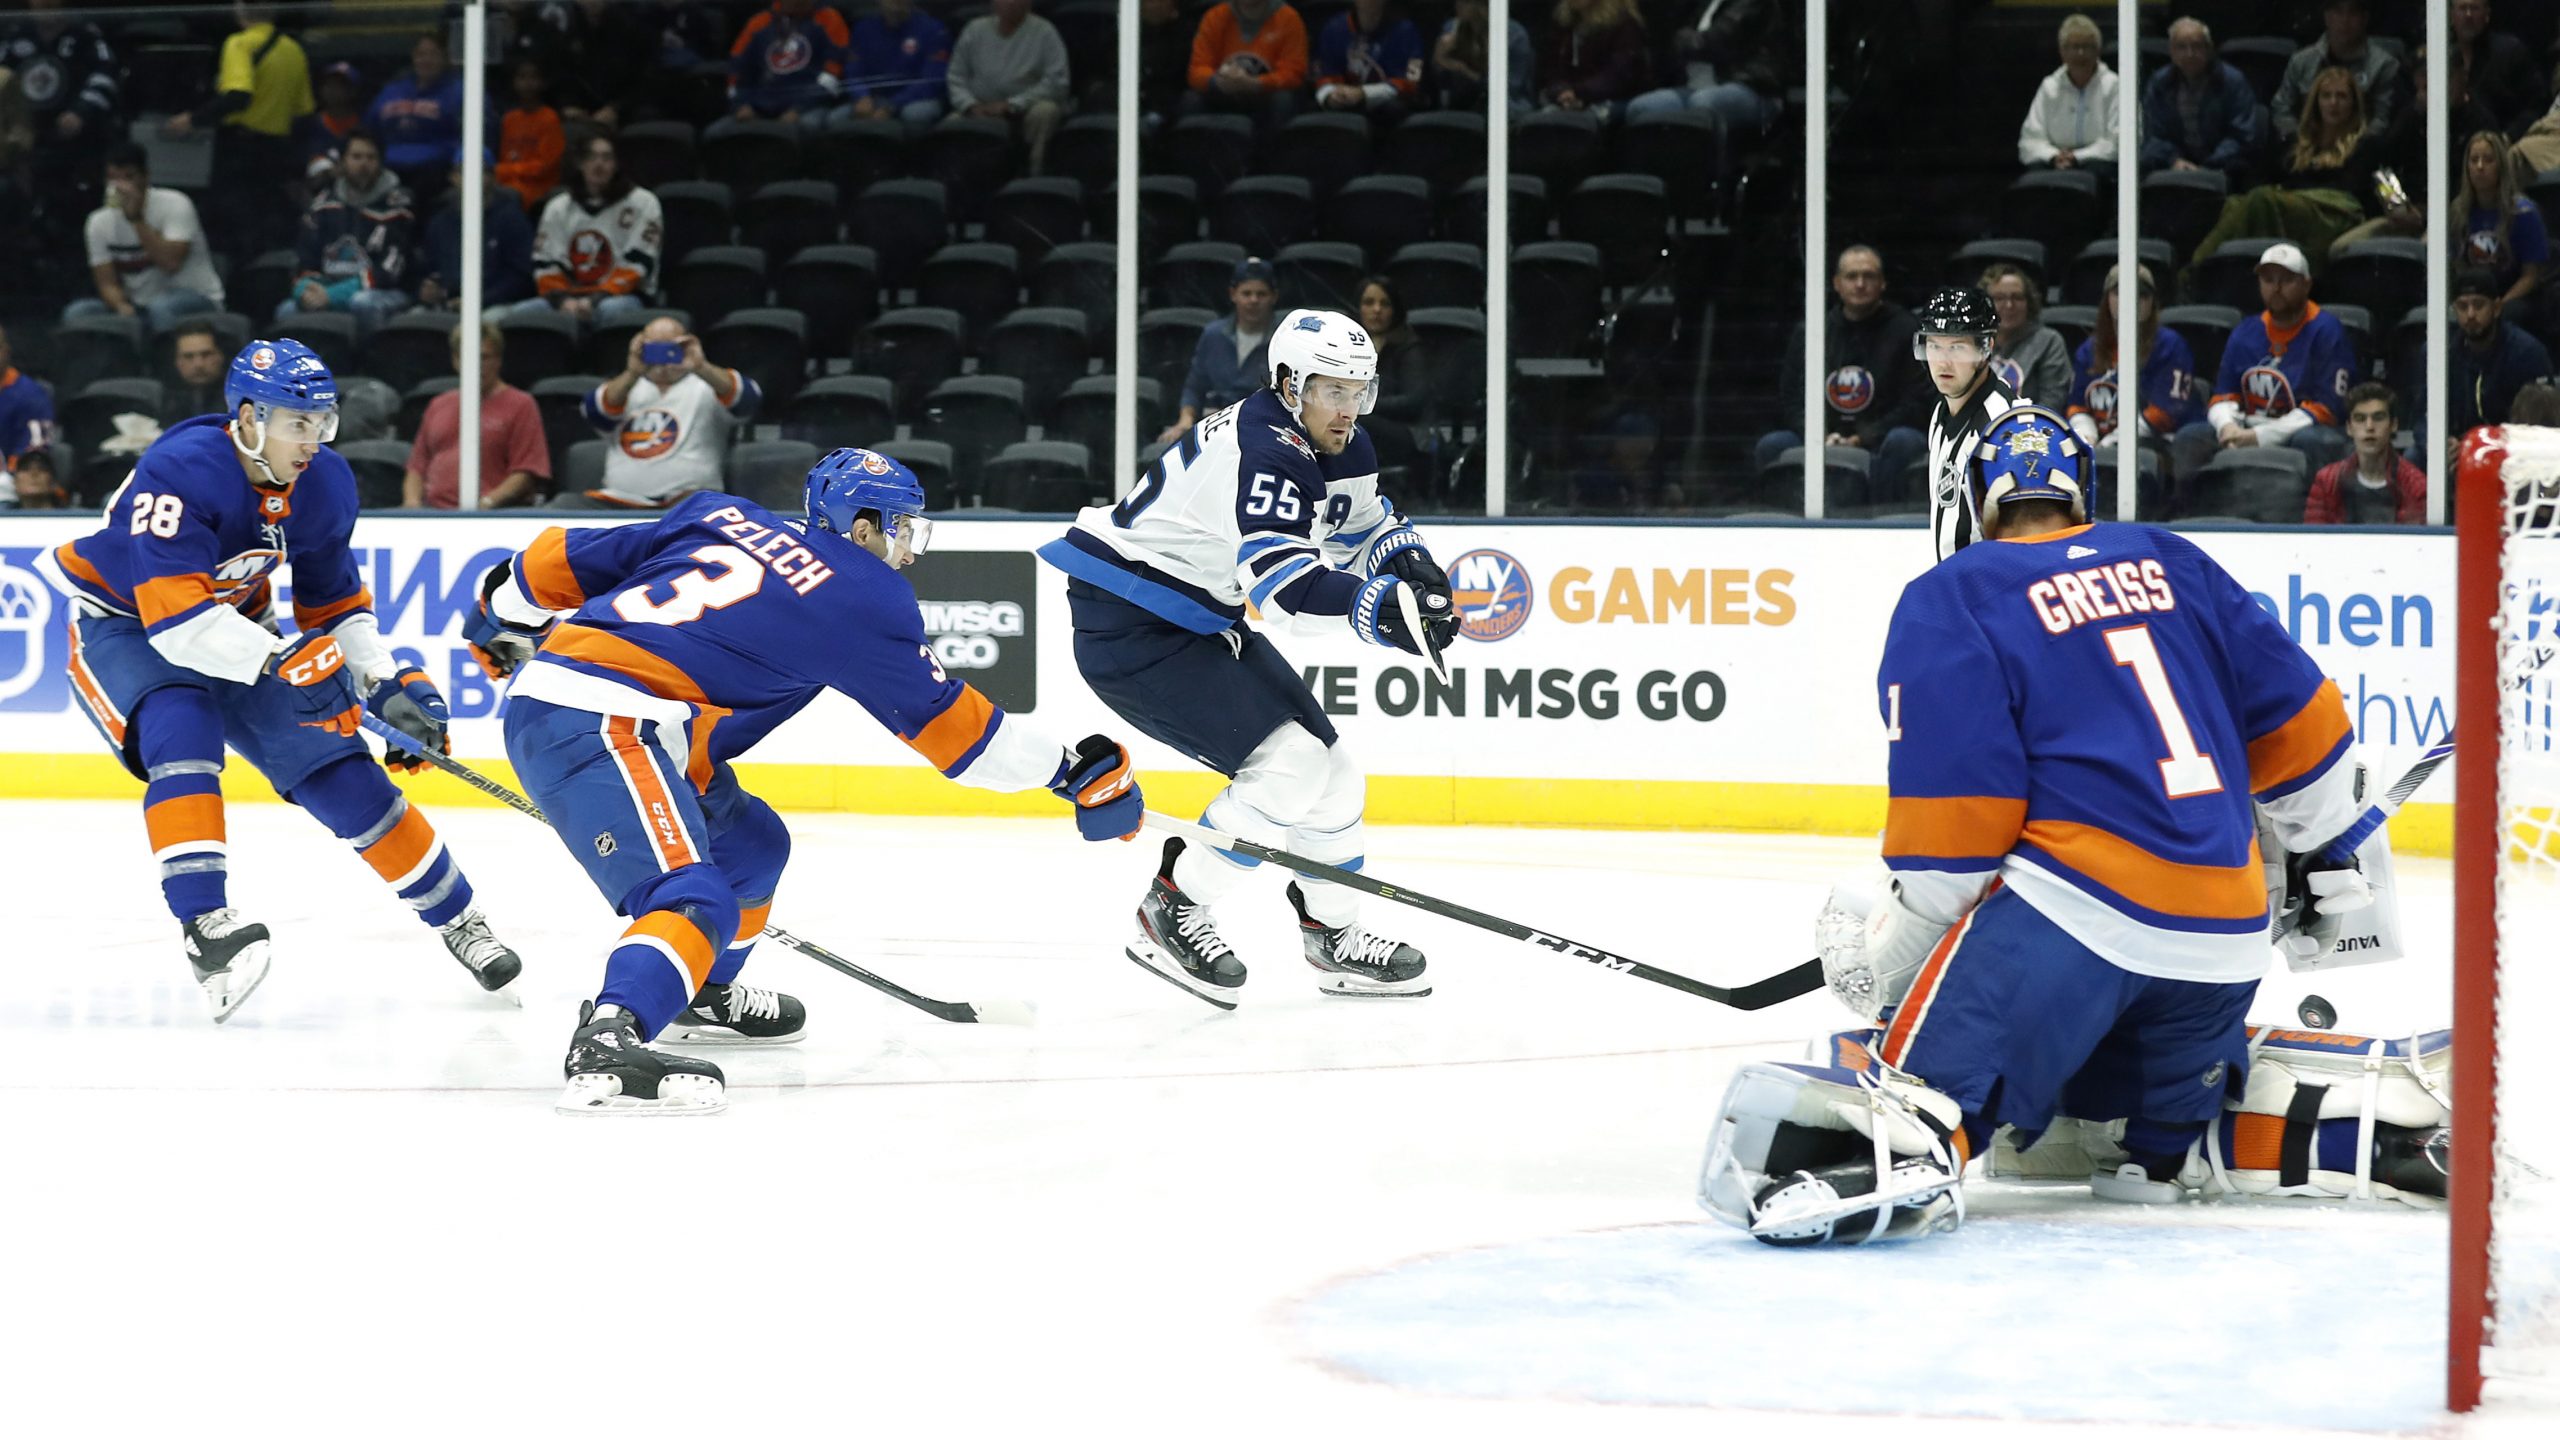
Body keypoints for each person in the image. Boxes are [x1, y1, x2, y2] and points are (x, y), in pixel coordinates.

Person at [1701, 404, 2439, 1247]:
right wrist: (2311, 847)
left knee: (1909, 1110)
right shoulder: (2172, 558)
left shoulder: (1957, 592)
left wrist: (1895, 957)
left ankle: (1967, 1114)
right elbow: (2310, 741)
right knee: (2118, 1142)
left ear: (1981, 505)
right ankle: (2196, 1136)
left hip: (2075, 927)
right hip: (2225, 946)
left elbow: (1953, 843)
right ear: (2082, 495)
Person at [466, 448, 1146, 1112]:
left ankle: (696, 985)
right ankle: (611, 1032)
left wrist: (497, 612)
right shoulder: (863, 596)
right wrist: (1072, 772)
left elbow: (552, 562)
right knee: (693, 898)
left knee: (753, 847)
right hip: (606, 722)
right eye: (903, 528)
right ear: (862, 528)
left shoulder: (722, 514)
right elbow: (965, 741)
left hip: (621, 718)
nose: (910, 549)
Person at [33, 339, 522, 1022]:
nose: (314, 438)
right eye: (299, 421)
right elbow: (175, 624)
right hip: (127, 626)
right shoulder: (180, 470)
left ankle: (460, 920)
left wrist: (383, 685)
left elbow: (335, 606)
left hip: (240, 623)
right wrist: (281, 659)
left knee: (342, 773)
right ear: (248, 417)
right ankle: (206, 925)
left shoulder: (325, 483)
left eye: (323, 420)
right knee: (183, 727)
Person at [1037, 308, 1450, 1008]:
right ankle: (1171, 908)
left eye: (1359, 392)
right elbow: (1283, 590)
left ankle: (1334, 935)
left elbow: (1366, 525)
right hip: (1131, 621)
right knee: (1290, 765)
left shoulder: (1334, 438)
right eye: (1332, 391)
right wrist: (1380, 609)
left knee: (1334, 776)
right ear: (1289, 384)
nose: (1347, 410)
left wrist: (1416, 568)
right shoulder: (1268, 448)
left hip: (1192, 616)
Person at [2173, 242, 2356, 487]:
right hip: (2247, 426)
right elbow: (2223, 396)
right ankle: (2188, 518)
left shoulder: (2326, 331)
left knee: (2317, 441)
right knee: (2192, 437)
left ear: (2307, 284)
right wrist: (2227, 427)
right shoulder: (2245, 332)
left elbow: (2327, 410)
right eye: (2268, 280)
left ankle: (2316, 519)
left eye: (2286, 280)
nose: (2276, 288)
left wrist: (2260, 436)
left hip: (2298, 433)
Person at [1756, 244, 1927, 501]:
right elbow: (1790, 398)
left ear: (1882, 283)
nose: (1860, 284)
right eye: (1851, 276)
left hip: (1880, 439)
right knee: (1773, 445)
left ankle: (1888, 523)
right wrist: (1818, 436)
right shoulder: (1813, 331)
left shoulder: (1906, 329)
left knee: (1906, 441)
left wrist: (1863, 437)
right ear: (1836, 283)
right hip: (1822, 438)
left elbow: (1916, 401)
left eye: (1869, 276)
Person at [2184, 64, 2379, 278]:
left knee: (2263, 200)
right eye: (2326, 96)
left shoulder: (2366, 144)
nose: (2333, 103)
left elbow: (2350, 189)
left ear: (2353, 104)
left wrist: (2287, 194)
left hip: (2334, 212)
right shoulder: (2297, 142)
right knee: (2234, 204)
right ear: (2316, 102)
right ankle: (2227, 275)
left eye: (2342, 96)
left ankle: (2198, 268)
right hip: (2292, 206)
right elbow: (2265, 172)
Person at [565, 315, 761, 509]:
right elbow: (593, 412)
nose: (663, 358)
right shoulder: (625, 388)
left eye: (671, 348)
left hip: (689, 501)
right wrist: (633, 372)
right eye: (654, 348)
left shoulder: (707, 386)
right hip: (619, 501)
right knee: (564, 506)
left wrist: (701, 366)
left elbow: (749, 400)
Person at [165, 3, 311, 259]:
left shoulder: (240, 43)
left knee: (229, 226)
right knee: (265, 223)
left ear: (240, 11)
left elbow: (238, 94)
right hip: (277, 149)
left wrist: (193, 119)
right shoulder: (294, 50)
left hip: (241, 149)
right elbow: (303, 108)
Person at [65, 144, 224, 333]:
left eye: (129, 177)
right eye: (113, 178)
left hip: (194, 297)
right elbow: (107, 283)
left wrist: (136, 219)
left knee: (161, 308)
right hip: (138, 304)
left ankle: (162, 361)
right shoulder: (98, 222)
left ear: (145, 177)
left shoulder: (175, 204)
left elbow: (170, 263)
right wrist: (122, 307)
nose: (120, 186)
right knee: (78, 313)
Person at [0, 0, 122, 243]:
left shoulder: (85, 37)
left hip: (74, 139)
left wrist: (81, 112)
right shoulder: (16, 37)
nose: (44, 11)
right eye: (39, 6)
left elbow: (105, 77)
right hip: (22, 137)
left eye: (50, 6)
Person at [279, 129, 415, 340]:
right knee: (287, 310)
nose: (364, 164)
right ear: (342, 162)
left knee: (363, 303)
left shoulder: (397, 208)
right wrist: (305, 291)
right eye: (356, 157)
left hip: (384, 292)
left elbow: (388, 273)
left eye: (371, 157)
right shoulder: (323, 205)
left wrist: (331, 296)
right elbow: (304, 261)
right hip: (328, 288)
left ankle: (370, 365)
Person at [1917, 287, 2020, 559]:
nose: (1942, 361)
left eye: (1957, 347)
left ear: (1985, 349)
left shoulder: (2005, 428)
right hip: (1954, 589)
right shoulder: (1942, 411)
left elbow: (2021, 547)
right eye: (1934, 346)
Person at [2063, 263, 2200, 468]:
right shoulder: (2089, 350)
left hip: (2157, 444)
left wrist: (2113, 441)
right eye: (2119, 292)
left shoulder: (2171, 346)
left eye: (2141, 295)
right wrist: (2087, 437)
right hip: (2101, 443)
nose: (2130, 299)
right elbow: (2076, 406)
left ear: (2152, 303)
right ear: (2107, 299)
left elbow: (2164, 414)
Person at [521, 132, 663, 328]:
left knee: (609, 311)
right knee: (522, 315)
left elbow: (639, 263)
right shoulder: (558, 207)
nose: (599, 164)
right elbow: (545, 263)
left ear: (616, 163)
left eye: (606, 158)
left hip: (625, 296)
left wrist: (597, 298)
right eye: (591, 157)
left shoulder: (643, 203)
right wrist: (563, 300)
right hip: (569, 298)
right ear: (579, 163)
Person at [405, 322, 548, 509]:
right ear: (455, 360)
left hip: (491, 515)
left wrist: (485, 505)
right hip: (434, 514)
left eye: (484, 357)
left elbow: (526, 472)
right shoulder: (438, 404)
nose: (476, 366)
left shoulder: (521, 405)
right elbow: (416, 467)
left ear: (498, 360)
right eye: (468, 357)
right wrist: (412, 505)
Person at [1624, 0, 1790, 153]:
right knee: (1641, 107)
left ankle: (1700, 178)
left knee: (1703, 103)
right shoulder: (1703, 4)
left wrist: (1684, 40)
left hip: (1753, 89)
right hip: (1698, 88)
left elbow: (1716, 41)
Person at [945, 0, 1071, 175]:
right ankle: (960, 180)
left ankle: (1034, 174)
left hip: (1026, 108)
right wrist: (970, 105)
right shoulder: (974, 30)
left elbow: (1057, 82)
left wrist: (1013, 104)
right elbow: (955, 76)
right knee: (952, 123)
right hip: (980, 107)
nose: (1010, 4)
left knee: (1045, 111)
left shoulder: (1045, 32)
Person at [1164, 256, 1279, 442]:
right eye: (1246, 293)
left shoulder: (1284, 338)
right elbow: (1195, 387)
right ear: (1233, 294)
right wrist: (1185, 421)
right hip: (1215, 428)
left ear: (1274, 297)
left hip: (1265, 429)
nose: (1253, 300)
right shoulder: (1213, 335)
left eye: (1261, 294)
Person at [2138, 17, 2260, 183]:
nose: (2190, 54)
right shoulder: (2159, 83)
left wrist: (2207, 167)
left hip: (2223, 164)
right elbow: (2153, 135)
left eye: (2196, 46)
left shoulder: (2232, 80)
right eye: (2181, 47)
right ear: (2171, 52)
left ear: (2209, 49)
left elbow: (2242, 135)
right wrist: (2174, 160)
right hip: (2175, 164)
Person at [2452, 129, 2549, 336]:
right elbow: (2457, 266)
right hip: (2471, 296)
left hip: (2514, 297)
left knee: (2510, 316)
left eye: (2488, 160)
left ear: (2501, 166)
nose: (2480, 166)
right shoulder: (2458, 212)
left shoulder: (2524, 212)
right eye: (2474, 160)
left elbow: (2531, 276)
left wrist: (2497, 306)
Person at [2017, 13, 2127, 191]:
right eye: (2074, 47)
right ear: (2062, 52)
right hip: (2054, 162)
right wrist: (2053, 156)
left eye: (2087, 47)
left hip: (2098, 164)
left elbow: (2120, 141)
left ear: (2098, 51)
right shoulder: (2049, 87)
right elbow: (2029, 141)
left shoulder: (2114, 86)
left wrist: (2078, 157)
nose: (2080, 53)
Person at [2447, 264, 2552, 443]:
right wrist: (2443, 442)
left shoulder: (2527, 352)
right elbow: (2422, 416)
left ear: (2496, 308)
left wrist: (2494, 446)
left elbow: (2540, 422)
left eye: (2479, 305)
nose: (2470, 314)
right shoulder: (2442, 352)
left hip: (2511, 448)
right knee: (2416, 453)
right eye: (2462, 307)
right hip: (2458, 449)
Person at [418, 155, 538, 311]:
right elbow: (427, 269)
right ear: (452, 177)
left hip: (497, 305)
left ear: (492, 177)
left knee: (489, 322)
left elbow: (521, 277)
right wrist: (428, 289)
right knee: (414, 319)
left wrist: (480, 300)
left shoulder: (511, 220)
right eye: (463, 172)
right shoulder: (439, 223)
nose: (471, 177)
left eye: (480, 171)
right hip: (447, 304)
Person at [2271, 0, 2397, 147]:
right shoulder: (2301, 61)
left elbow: (2382, 120)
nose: (2345, 20)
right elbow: (2281, 109)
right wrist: (2301, 141)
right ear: (2327, 17)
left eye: (2353, 12)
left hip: (2361, 154)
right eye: (2337, 11)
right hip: (2305, 149)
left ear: (2365, 18)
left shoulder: (2383, 65)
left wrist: (2353, 148)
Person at [366, 31, 468, 206]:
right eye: (421, 54)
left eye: (433, 54)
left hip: (436, 171)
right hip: (388, 169)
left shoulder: (458, 91)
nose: (426, 60)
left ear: (446, 58)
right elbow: (369, 128)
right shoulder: (392, 89)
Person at [723, 0, 853, 131]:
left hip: (808, 105)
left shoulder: (827, 19)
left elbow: (832, 75)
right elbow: (739, 72)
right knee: (722, 131)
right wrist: (741, 105)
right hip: (761, 105)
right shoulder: (760, 24)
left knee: (807, 125)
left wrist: (798, 109)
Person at [2305, 382, 2424, 523]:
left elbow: (2415, 543)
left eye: (2378, 418)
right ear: (2349, 428)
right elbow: (2314, 540)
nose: (2369, 427)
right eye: (2360, 419)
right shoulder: (2326, 481)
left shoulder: (2415, 485)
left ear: (2393, 425)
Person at [1187, 0, 1309, 130]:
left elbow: (1294, 73)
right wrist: (1217, 81)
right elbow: (1196, 70)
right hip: (1224, 92)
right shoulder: (1215, 17)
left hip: (1266, 94)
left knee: (1283, 100)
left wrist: (1256, 83)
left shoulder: (1288, 18)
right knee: (1191, 100)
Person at [838, 0, 950, 135]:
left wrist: (892, 106)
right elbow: (853, 71)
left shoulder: (933, 29)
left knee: (915, 115)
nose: (896, 3)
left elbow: (932, 80)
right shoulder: (863, 29)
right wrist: (861, 96)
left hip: (917, 99)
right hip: (874, 99)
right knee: (837, 118)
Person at [1534, 0, 1649, 125]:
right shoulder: (1564, 22)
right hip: (1570, 97)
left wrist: (1579, 92)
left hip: (1613, 98)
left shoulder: (1625, 24)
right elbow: (1551, 67)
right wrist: (1561, 89)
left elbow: (1618, 75)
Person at [1312, 0, 1423, 123]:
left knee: (1394, 109)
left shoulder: (1405, 30)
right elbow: (1323, 75)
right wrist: (1329, 95)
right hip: (1343, 103)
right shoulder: (1334, 27)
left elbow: (1411, 82)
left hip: (1388, 110)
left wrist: (1364, 93)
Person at [1356, 274, 1427, 466]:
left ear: (1395, 310)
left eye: (1385, 304)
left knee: (1354, 423)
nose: (1376, 310)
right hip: (1360, 422)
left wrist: (1362, 405)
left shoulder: (1409, 348)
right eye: (1369, 303)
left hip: (1403, 432)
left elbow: (1413, 401)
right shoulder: (1349, 348)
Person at [1980, 263, 2071, 411]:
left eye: (2017, 297)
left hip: (2029, 430)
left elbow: (2052, 404)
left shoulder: (2048, 342)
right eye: (1999, 298)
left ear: (2029, 302)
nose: (2009, 305)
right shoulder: (1975, 342)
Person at [2450, 0, 2546, 140]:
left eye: (2475, 8)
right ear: (2451, 15)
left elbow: (2537, 106)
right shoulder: (2438, 56)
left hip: (2504, 148)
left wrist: (2507, 138)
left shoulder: (2510, 53)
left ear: (2487, 14)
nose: (2468, 15)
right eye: (2463, 8)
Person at [1430, 0, 1531, 116]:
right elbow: (1442, 85)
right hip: (1460, 106)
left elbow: (1508, 88)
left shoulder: (1514, 35)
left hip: (1506, 106)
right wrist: (1439, 59)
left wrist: (1464, 70)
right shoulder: (1451, 28)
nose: (1458, 5)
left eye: (1466, 2)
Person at [0, 323, 60, 510]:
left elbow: (35, 450)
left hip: (9, 481)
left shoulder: (30, 395)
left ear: (6, 351)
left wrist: (8, 471)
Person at [496, 57, 563, 214]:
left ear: (542, 82)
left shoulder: (549, 118)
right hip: (507, 182)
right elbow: (503, 159)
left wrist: (506, 170)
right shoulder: (509, 119)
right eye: (522, 77)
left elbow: (544, 168)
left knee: (507, 196)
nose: (527, 83)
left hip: (538, 188)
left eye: (533, 77)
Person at [295, 61, 368, 187]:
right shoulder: (308, 125)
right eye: (329, 84)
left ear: (353, 90)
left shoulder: (365, 125)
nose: (333, 89)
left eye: (341, 85)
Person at [161, 319, 230, 424]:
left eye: (206, 354)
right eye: (188, 357)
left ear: (220, 356)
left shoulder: (238, 400)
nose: (199, 364)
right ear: (177, 361)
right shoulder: (165, 401)